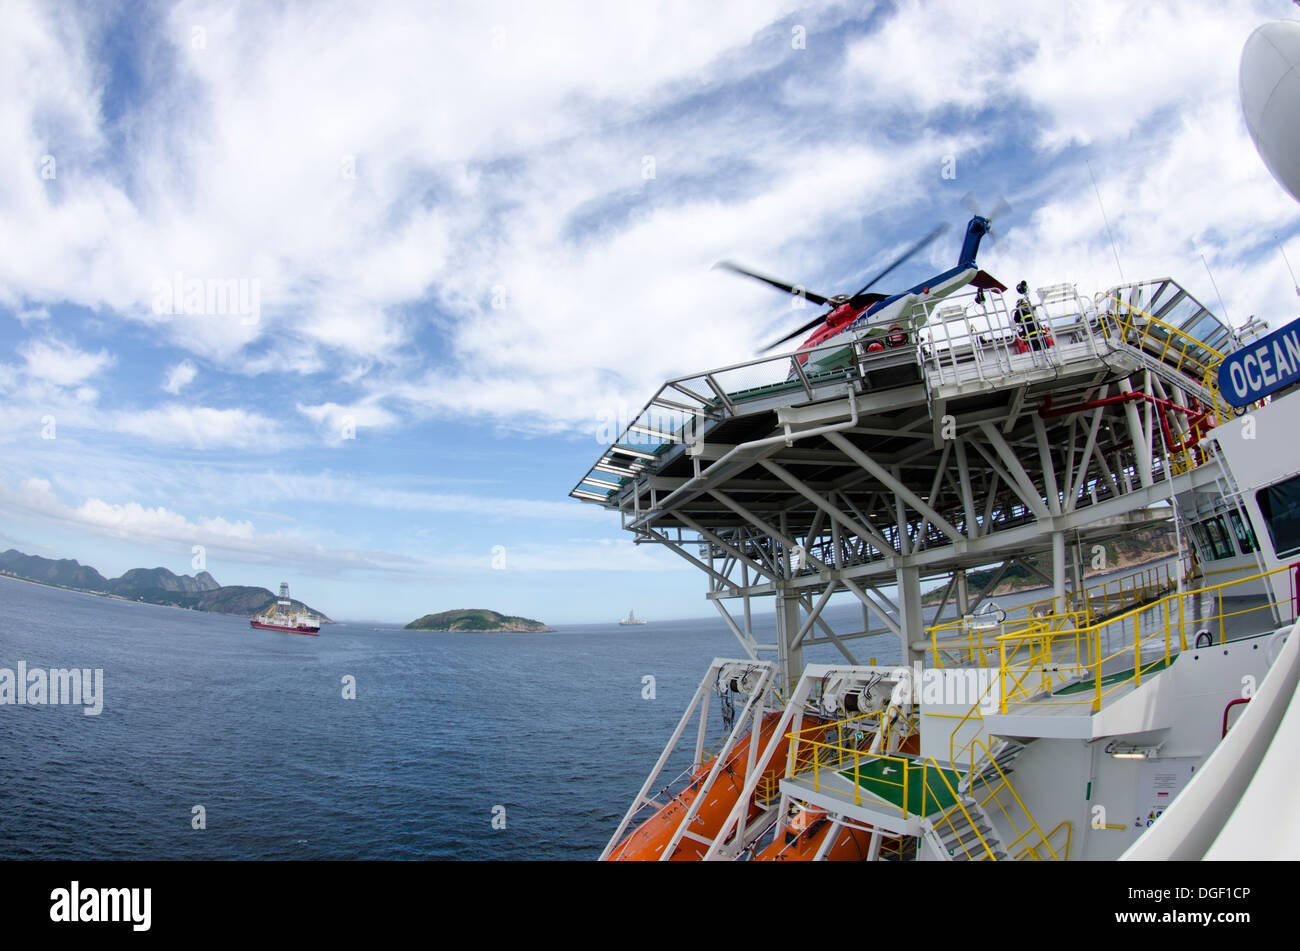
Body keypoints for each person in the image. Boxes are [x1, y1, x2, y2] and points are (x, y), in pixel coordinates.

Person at [1012, 280, 1046, 350]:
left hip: (1029, 332)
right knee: (1045, 347)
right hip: (1039, 329)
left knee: (1035, 349)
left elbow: (1016, 320)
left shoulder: (1018, 310)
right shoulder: (1030, 307)